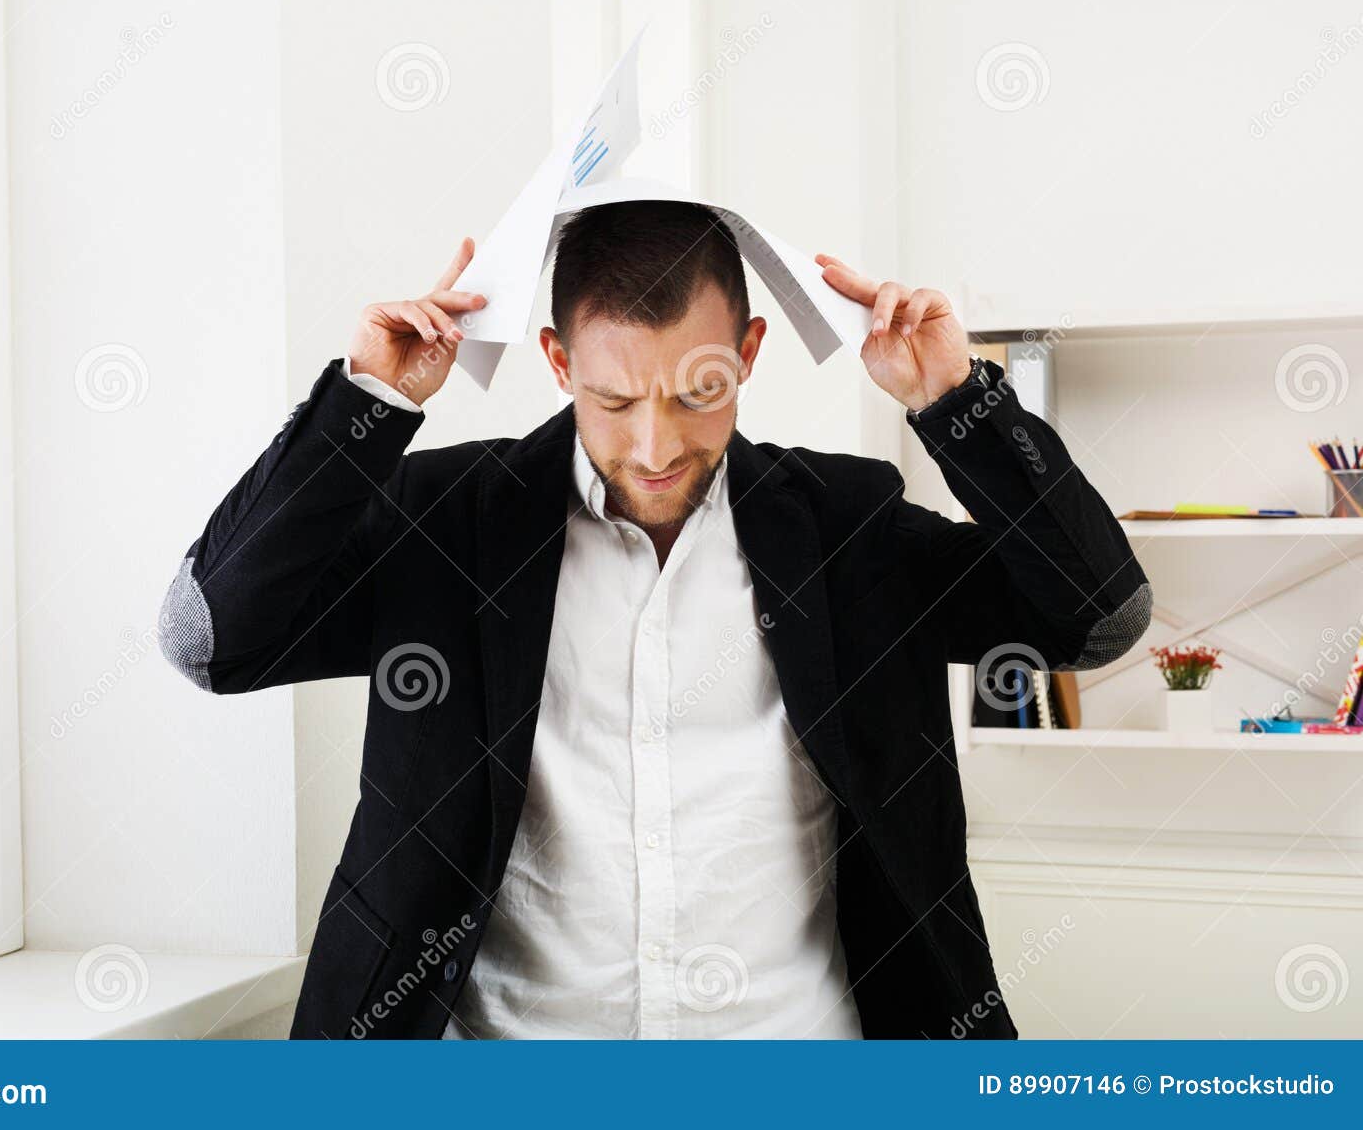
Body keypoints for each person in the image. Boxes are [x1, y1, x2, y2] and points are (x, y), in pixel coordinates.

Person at [158, 200, 1150, 1039]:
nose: (655, 442)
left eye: (696, 391)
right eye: (614, 396)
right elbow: (213, 637)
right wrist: (366, 404)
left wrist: (956, 400)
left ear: (751, 351)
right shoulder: (447, 521)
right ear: (555, 360)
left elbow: (1095, 616)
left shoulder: (847, 528)